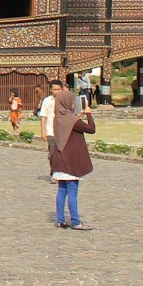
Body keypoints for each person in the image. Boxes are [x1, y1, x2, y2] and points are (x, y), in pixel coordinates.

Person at [48, 84, 96, 229]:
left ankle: (60, 219)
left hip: (59, 159)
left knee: (62, 191)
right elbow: (91, 129)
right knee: (73, 192)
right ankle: (76, 221)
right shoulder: (72, 120)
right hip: (71, 160)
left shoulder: (59, 118)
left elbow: (71, 124)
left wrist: (77, 117)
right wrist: (88, 113)